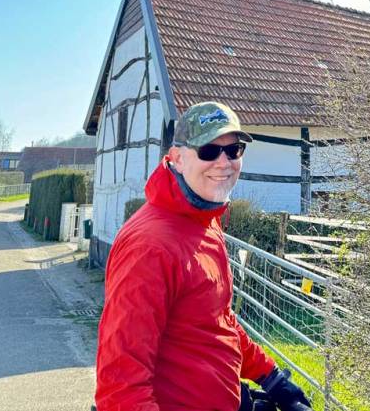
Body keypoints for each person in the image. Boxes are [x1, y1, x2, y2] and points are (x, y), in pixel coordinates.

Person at [94, 101, 312, 411]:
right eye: (209, 151)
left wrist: (271, 378)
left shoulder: (203, 222)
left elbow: (217, 320)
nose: (223, 162)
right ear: (177, 159)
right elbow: (120, 384)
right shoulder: (149, 247)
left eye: (233, 150)